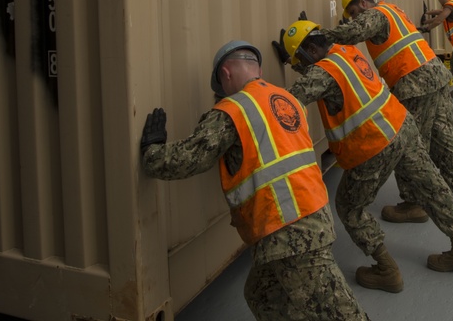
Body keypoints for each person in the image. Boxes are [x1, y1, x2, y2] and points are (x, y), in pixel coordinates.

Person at [140, 41, 368, 321]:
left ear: (225, 73)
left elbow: (189, 159)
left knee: (338, 312)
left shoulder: (232, 110)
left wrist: (153, 151)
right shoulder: (286, 99)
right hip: (309, 214)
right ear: (258, 69)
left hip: (289, 231)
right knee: (262, 295)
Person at [281, 21, 453, 293]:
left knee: (349, 207)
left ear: (312, 49)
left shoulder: (321, 73)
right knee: (431, 184)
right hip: (401, 126)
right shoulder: (347, 50)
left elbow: (286, 104)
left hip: (373, 145)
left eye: (300, 59)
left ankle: (386, 270)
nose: (301, 65)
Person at [316, 0, 453, 225]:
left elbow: (354, 32)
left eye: (355, 12)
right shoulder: (392, 9)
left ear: (364, 4)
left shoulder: (375, 14)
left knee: (410, 147)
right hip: (435, 75)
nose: (356, 17)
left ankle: (414, 204)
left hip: (413, 82)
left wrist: (320, 36)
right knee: (443, 139)